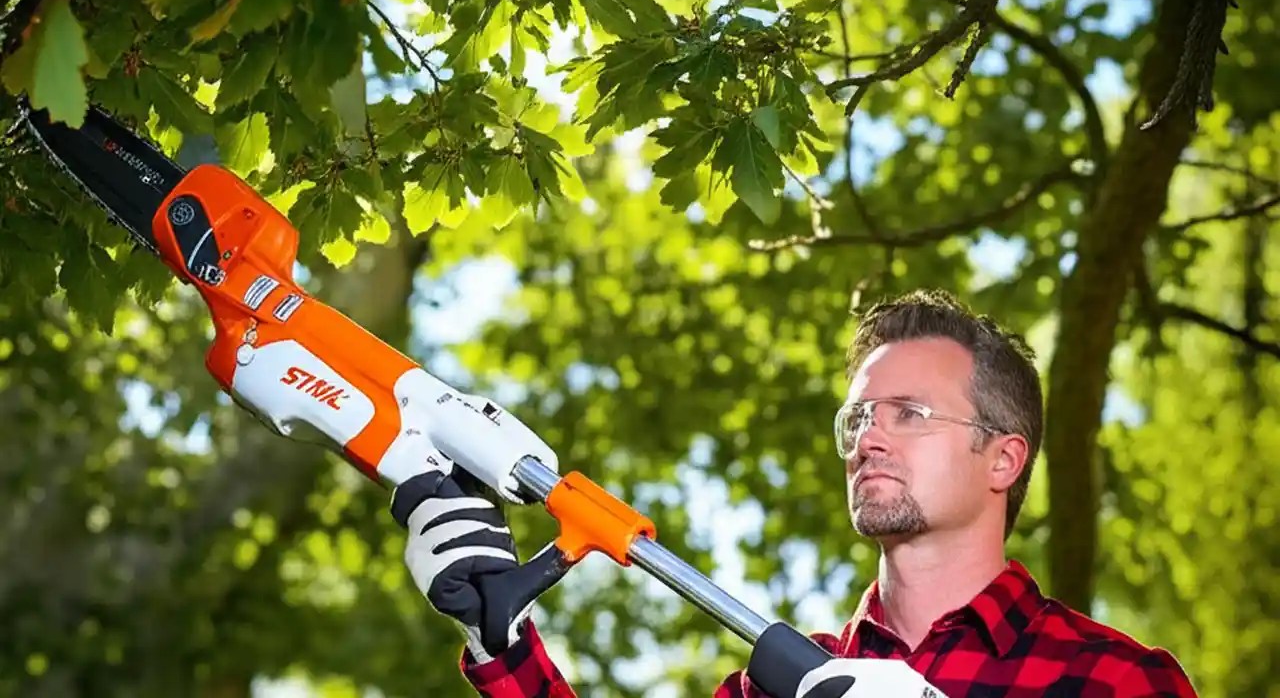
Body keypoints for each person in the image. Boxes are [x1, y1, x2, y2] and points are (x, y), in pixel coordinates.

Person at [390, 289, 1198, 697]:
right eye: (859, 418)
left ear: (1003, 459)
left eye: (909, 414)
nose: (869, 438)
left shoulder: (1115, 681)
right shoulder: (777, 687)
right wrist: (505, 641)